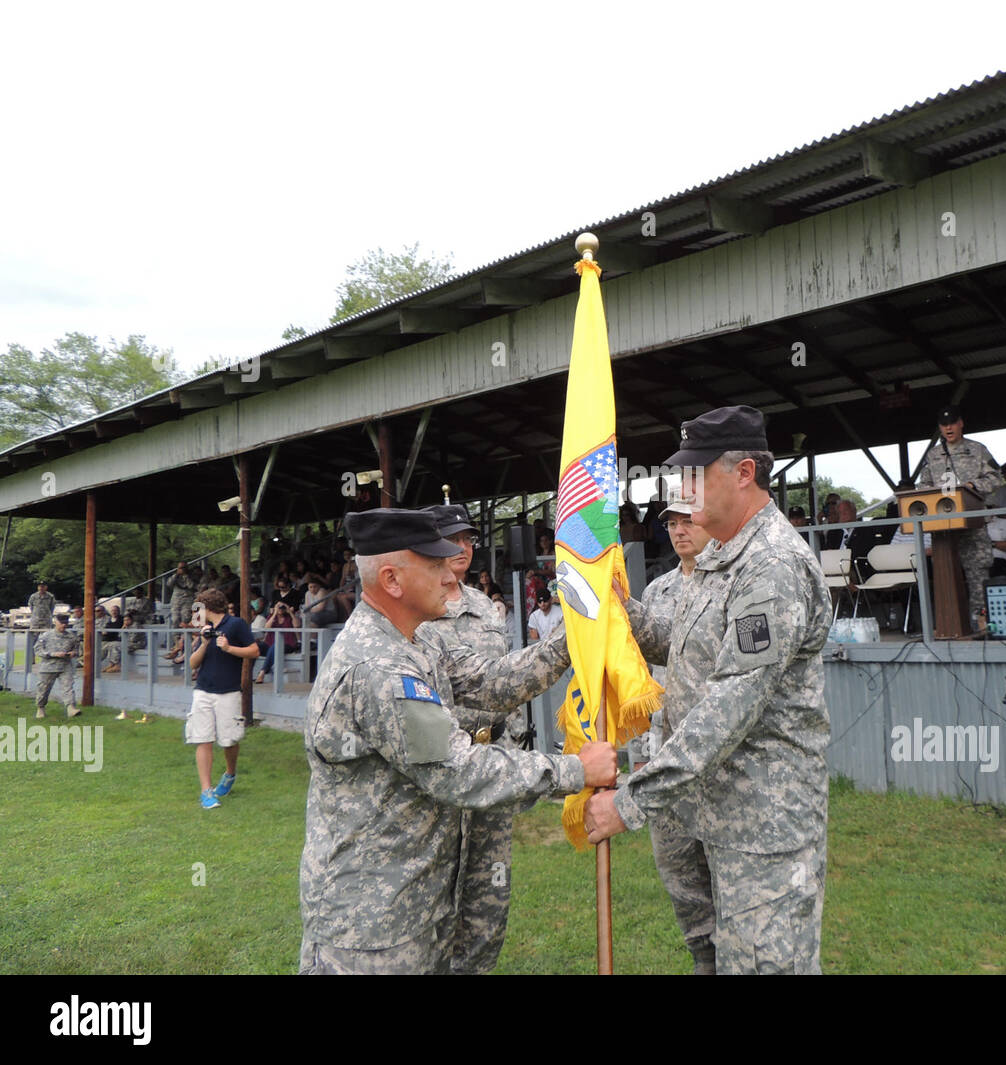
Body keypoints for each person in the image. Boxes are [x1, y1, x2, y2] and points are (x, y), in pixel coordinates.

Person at [298, 508, 617, 975]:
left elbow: (490, 681)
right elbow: (457, 769)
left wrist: (575, 639)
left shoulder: (416, 640)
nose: (452, 576)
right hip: (371, 925)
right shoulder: (378, 668)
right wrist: (573, 770)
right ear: (392, 580)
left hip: (413, 903)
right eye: (435, 565)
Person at [584, 405, 833, 975]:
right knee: (717, 957)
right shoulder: (723, 555)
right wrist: (619, 607)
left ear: (744, 473)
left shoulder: (770, 565)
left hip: (762, 824)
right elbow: (684, 644)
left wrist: (630, 802)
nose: (683, 488)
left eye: (696, 474)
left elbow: (728, 708)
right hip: (715, 811)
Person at [413, 505, 527, 975]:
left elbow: (507, 681)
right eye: (453, 539)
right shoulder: (418, 609)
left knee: (489, 894)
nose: (463, 548)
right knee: (434, 889)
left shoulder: (485, 606)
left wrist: (514, 739)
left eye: (469, 539)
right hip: (442, 765)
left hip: (492, 759)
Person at [636, 490, 718, 973]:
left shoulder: (728, 582)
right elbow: (644, 679)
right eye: (671, 523)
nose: (680, 530)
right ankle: (703, 960)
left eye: (688, 520)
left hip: (715, 752)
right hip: (666, 752)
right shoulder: (658, 592)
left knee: (725, 874)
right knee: (679, 871)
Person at [914, 406, 1003, 610]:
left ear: (961, 423)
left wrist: (973, 487)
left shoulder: (977, 449)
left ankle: (980, 622)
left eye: (952, 423)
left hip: (973, 523)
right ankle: (951, 625)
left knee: (977, 573)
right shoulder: (933, 455)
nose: (948, 428)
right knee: (946, 577)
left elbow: (995, 477)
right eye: (944, 425)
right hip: (944, 527)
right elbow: (924, 484)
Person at [185, 589, 258, 809]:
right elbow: (192, 664)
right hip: (203, 691)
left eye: (200, 608)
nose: (198, 614)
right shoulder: (205, 631)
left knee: (229, 740)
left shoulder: (236, 625)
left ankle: (229, 773)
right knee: (203, 738)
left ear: (207, 608)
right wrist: (205, 642)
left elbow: (254, 651)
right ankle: (206, 792)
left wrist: (228, 648)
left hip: (229, 691)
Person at [32, 614, 80, 719]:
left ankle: (70, 708)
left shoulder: (72, 637)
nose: (64, 625)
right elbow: (38, 650)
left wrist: (73, 653)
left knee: (68, 687)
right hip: (48, 667)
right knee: (43, 689)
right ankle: (40, 708)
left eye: (66, 623)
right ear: (55, 622)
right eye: (61, 623)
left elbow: (77, 650)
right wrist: (53, 654)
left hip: (65, 666)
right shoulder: (45, 636)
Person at [169, 561, 197, 633]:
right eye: (181, 568)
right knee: (175, 619)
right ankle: (176, 638)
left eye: (184, 568)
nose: (182, 569)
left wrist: (186, 576)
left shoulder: (192, 575)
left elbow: (192, 586)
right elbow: (169, 584)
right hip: (176, 600)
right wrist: (176, 575)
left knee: (186, 618)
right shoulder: (175, 576)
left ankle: (184, 637)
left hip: (187, 600)